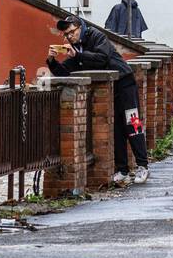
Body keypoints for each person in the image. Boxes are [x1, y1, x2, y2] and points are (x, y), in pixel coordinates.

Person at [47, 14, 149, 186]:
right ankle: (122, 169)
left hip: (124, 82)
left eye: (71, 32)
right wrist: (51, 61)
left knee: (133, 122)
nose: (69, 37)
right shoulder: (76, 49)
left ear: (80, 28)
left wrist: (77, 56)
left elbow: (102, 58)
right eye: (66, 35)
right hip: (110, 89)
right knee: (116, 127)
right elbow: (64, 72)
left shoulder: (96, 36)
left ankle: (142, 165)